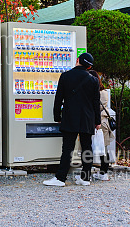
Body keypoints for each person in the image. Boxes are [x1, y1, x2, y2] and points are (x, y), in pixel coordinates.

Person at [43, 52, 101, 187]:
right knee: (87, 148)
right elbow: (95, 103)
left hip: (70, 117)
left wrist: (57, 116)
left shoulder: (66, 76)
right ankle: (85, 178)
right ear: (89, 66)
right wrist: (97, 121)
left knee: (67, 149)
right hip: (87, 118)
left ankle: (60, 178)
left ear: (77, 60)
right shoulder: (93, 80)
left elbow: (58, 99)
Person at [89, 70, 113, 181]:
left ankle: (102, 173)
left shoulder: (97, 93)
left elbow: (95, 107)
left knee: (97, 148)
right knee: (103, 149)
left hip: (99, 123)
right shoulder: (104, 92)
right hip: (103, 122)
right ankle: (103, 172)